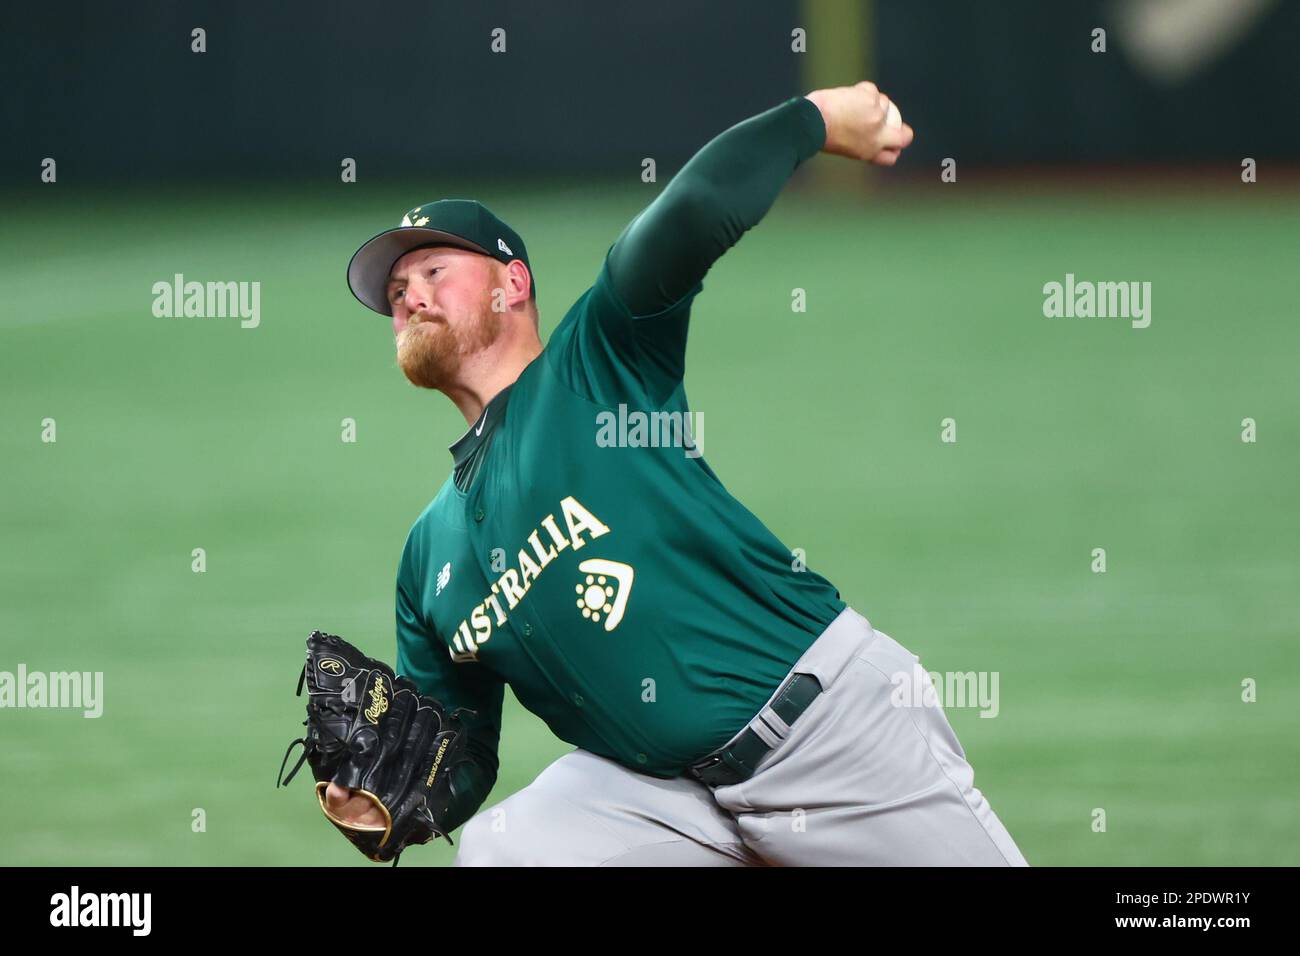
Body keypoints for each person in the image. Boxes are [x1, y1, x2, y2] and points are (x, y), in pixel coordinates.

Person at [329, 81, 1027, 866]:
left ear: (511, 284)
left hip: (828, 735)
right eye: (394, 292)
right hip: (665, 800)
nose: (408, 297)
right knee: (507, 850)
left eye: (431, 272)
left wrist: (817, 120)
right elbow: (458, 752)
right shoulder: (429, 557)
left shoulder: (598, 360)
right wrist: (385, 803)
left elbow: (690, 212)